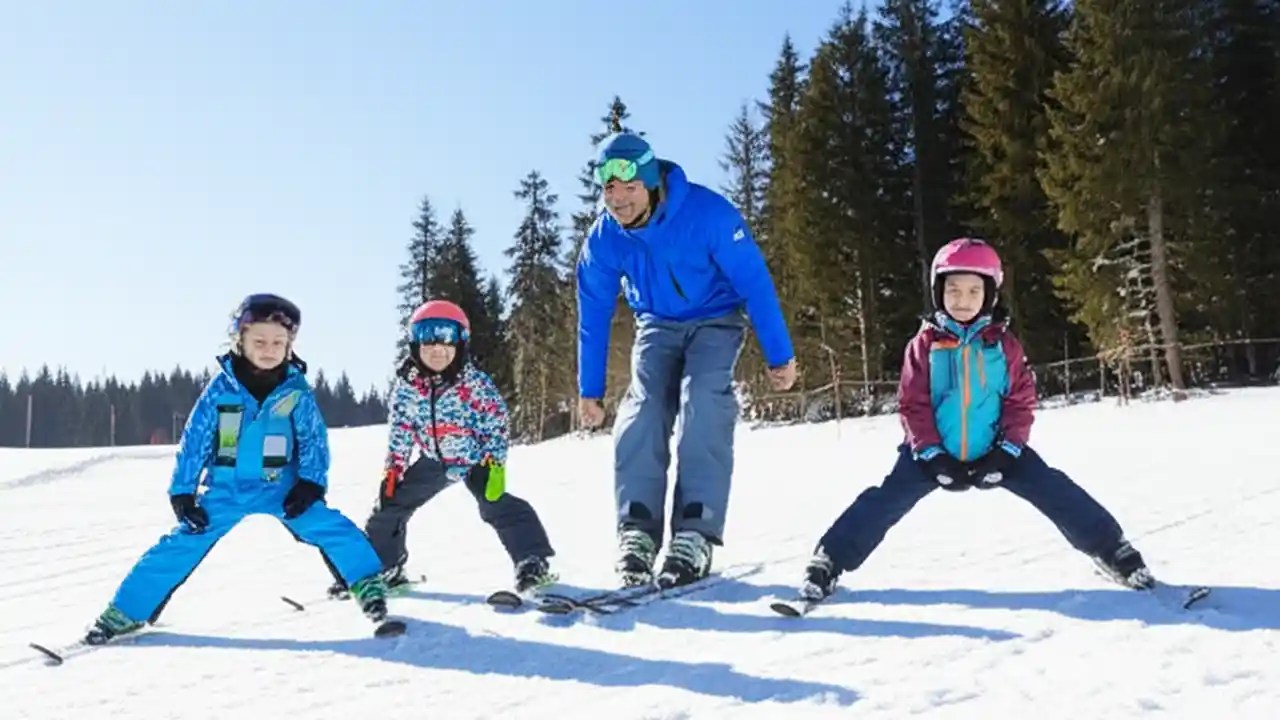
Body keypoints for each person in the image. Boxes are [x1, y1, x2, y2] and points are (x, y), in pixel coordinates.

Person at [795, 238, 1155, 601]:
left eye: (972, 291)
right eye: (953, 290)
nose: (962, 300)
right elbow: (912, 405)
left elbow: (1020, 401)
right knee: (884, 501)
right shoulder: (923, 346)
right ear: (939, 292)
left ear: (989, 295)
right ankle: (830, 559)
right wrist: (931, 453)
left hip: (997, 448)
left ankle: (1112, 549)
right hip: (930, 452)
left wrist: (1008, 450)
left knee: (1055, 489)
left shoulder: (1004, 346)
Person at [83, 294, 393, 645]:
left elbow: (313, 440)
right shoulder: (220, 390)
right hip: (227, 488)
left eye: (279, 342)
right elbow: (195, 439)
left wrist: (310, 483)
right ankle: (124, 611)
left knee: (332, 527)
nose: (268, 349)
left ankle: (369, 586)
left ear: (290, 345)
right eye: (258, 341)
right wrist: (183, 491)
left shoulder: (296, 392)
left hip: (283, 488)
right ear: (239, 340)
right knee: (181, 543)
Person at [575, 131, 798, 589]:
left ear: (651, 181)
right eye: (609, 190)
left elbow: (754, 280)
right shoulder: (604, 238)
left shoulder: (707, 214)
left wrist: (781, 355)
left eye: (629, 187)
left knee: (703, 400)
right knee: (643, 407)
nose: (618, 200)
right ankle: (637, 529)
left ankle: (695, 531)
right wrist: (589, 390)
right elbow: (593, 313)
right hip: (656, 323)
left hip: (717, 319)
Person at [326, 299, 556, 598]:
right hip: (434, 460)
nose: (437, 349)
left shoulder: (473, 383)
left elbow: (496, 420)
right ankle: (385, 568)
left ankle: (531, 561)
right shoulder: (408, 387)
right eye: (427, 339)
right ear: (414, 344)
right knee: (390, 507)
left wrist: (495, 464)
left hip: (475, 457)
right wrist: (394, 467)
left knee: (496, 503)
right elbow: (401, 429)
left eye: (446, 339)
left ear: (460, 343)